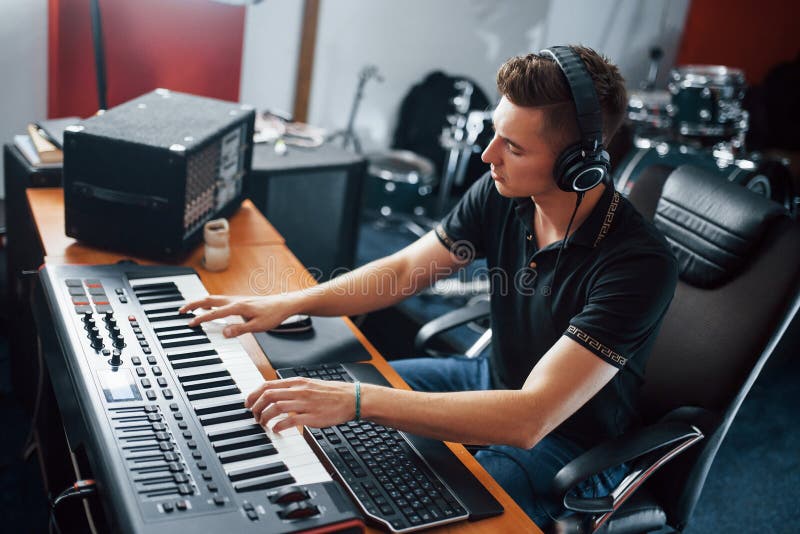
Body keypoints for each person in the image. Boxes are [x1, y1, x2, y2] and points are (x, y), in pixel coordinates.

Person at [180, 45, 678, 527]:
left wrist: (357, 403)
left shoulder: (637, 265)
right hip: (487, 376)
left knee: (433, 511)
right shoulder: (504, 191)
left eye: (514, 147)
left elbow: (530, 418)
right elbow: (403, 271)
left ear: (579, 165)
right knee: (305, 409)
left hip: (570, 442)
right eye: (495, 134)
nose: (487, 156)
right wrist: (285, 303)